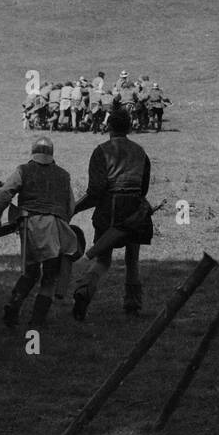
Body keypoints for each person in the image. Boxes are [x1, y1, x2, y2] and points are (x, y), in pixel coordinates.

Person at [71, 108, 152, 320]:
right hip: (134, 209)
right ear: (130, 127)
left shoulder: (101, 151)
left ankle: (83, 293)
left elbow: (95, 192)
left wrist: (75, 208)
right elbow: (143, 189)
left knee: (102, 260)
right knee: (132, 260)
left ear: (109, 127)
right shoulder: (140, 151)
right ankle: (132, 306)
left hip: (109, 210)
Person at [0, 137, 78, 329]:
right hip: (54, 226)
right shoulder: (63, 175)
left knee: (30, 272)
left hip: (29, 224)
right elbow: (70, 206)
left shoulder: (24, 170)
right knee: (49, 277)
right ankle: (36, 323)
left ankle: (13, 306)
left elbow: (5, 193)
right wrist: (62, 223)